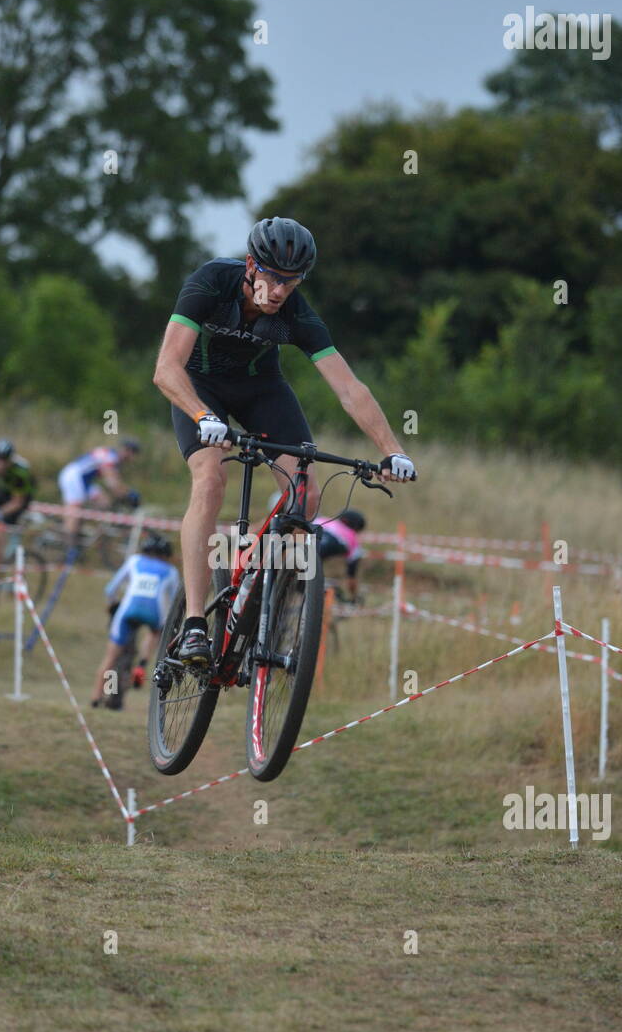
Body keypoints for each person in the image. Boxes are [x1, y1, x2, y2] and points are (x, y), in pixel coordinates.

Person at [152, 215, 416, 663]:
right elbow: (165, 369)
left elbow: (350, 389)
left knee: (306, 494)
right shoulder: (211, 283)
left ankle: (255, 580)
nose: (278, 292)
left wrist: (392, 449)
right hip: (201, 388)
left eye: (290, 282)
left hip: (262, 391)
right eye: (273, 278)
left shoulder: (296, 313)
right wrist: (201, 415)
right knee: (210, 480)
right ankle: (195, 622)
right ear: (252, 266)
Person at [91, 533, 180, 709]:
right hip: (154, 613)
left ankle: (96, 698)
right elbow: (177, 600)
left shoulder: (134, 560)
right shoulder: (171, 571)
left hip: (128, 610)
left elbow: (110, 589)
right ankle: (142, 663)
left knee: (110, 658)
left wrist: (112, 606)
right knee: (154, 632)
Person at [58, 440, 141, 547]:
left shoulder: (113, 457)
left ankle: (82, 530)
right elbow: (112, 482)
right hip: (75, 477)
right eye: (133, 454)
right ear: (127, 451)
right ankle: (69, 545)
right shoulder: (110, 456)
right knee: (75, 510)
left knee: (105, 503)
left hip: (85, 481)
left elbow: (116, 483)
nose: (133, 458)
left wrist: (125, 493)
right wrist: (129, 494)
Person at [318, 508, 365, 601]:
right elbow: (351, 578)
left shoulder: (322, 520)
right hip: (317, 554)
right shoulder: (353, 540)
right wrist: (354, 596)